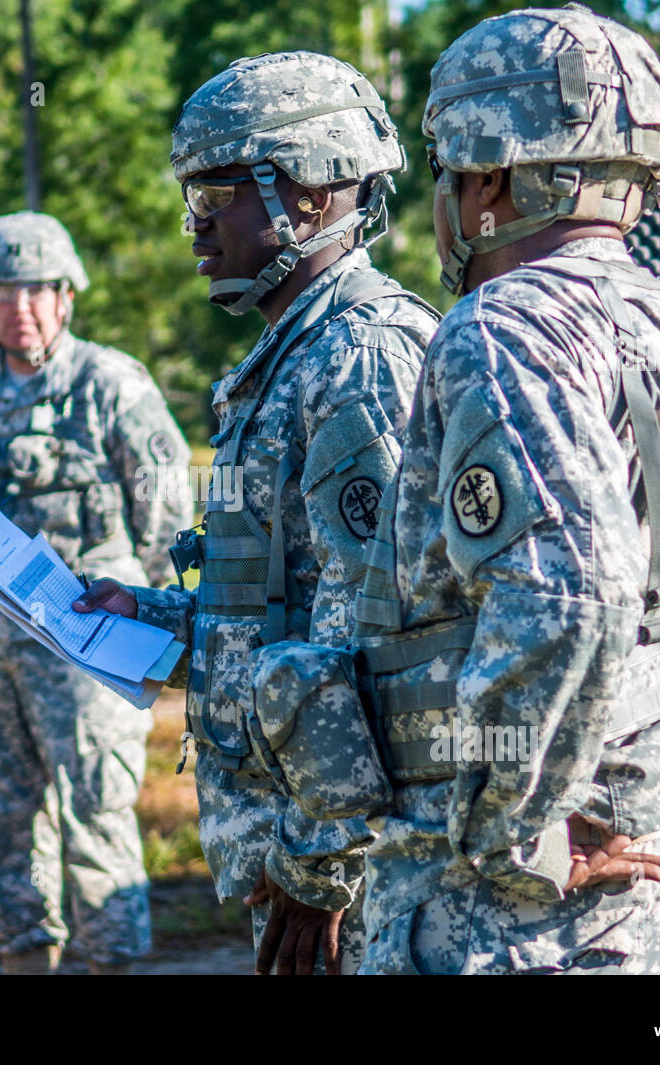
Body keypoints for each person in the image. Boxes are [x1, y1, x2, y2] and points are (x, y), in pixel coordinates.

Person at [316, 4, 660, 974]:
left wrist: (526, 831)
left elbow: (567, 593)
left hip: (523, 918)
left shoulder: (501, 333)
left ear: (484, 180)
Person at [74, 53, 439, 974]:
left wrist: (323, 864)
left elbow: (382, 634)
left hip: (351, 872)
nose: (195, 229)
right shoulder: (296, 356)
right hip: (299, 853)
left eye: (213, 195)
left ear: (310, 195)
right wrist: (155, 617)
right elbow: (293, 606)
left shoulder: (360, 356)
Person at [0, 210, 191, 974]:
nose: (22, 308)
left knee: (97, 812)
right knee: (4, 817)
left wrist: (141, 614)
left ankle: (110, 960)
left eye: (38, 290)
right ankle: (25, 958)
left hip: (83, 650)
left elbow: (165, 510)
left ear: (67, 297)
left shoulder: (109, 383)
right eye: (5, 293)